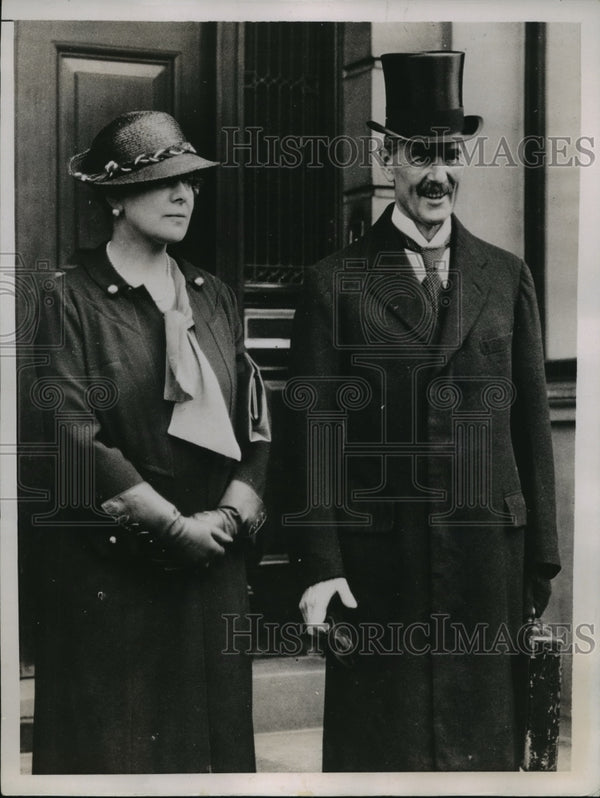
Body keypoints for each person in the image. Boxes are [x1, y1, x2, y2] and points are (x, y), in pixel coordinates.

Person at [287, 51, 560, 771]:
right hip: (384, 568)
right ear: (388, 158)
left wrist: (540, 563)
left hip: (485, 564)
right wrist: (320, 566)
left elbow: (531, 424)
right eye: (418, 155)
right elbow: (313, 440)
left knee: (482, 754)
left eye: (448, 154)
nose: (437, 174)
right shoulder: (333, 285)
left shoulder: (506, 276)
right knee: (388, 753)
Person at [28, 110, 270, 774]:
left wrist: (228, 515)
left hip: (213, 581)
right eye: (163, 181)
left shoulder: (213, 297)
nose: (182, 195)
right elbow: (68, 435)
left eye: (189, 182)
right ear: (113, 197)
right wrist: (169, 527)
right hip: (117, 589)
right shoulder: (66, 301)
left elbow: (254, 423)